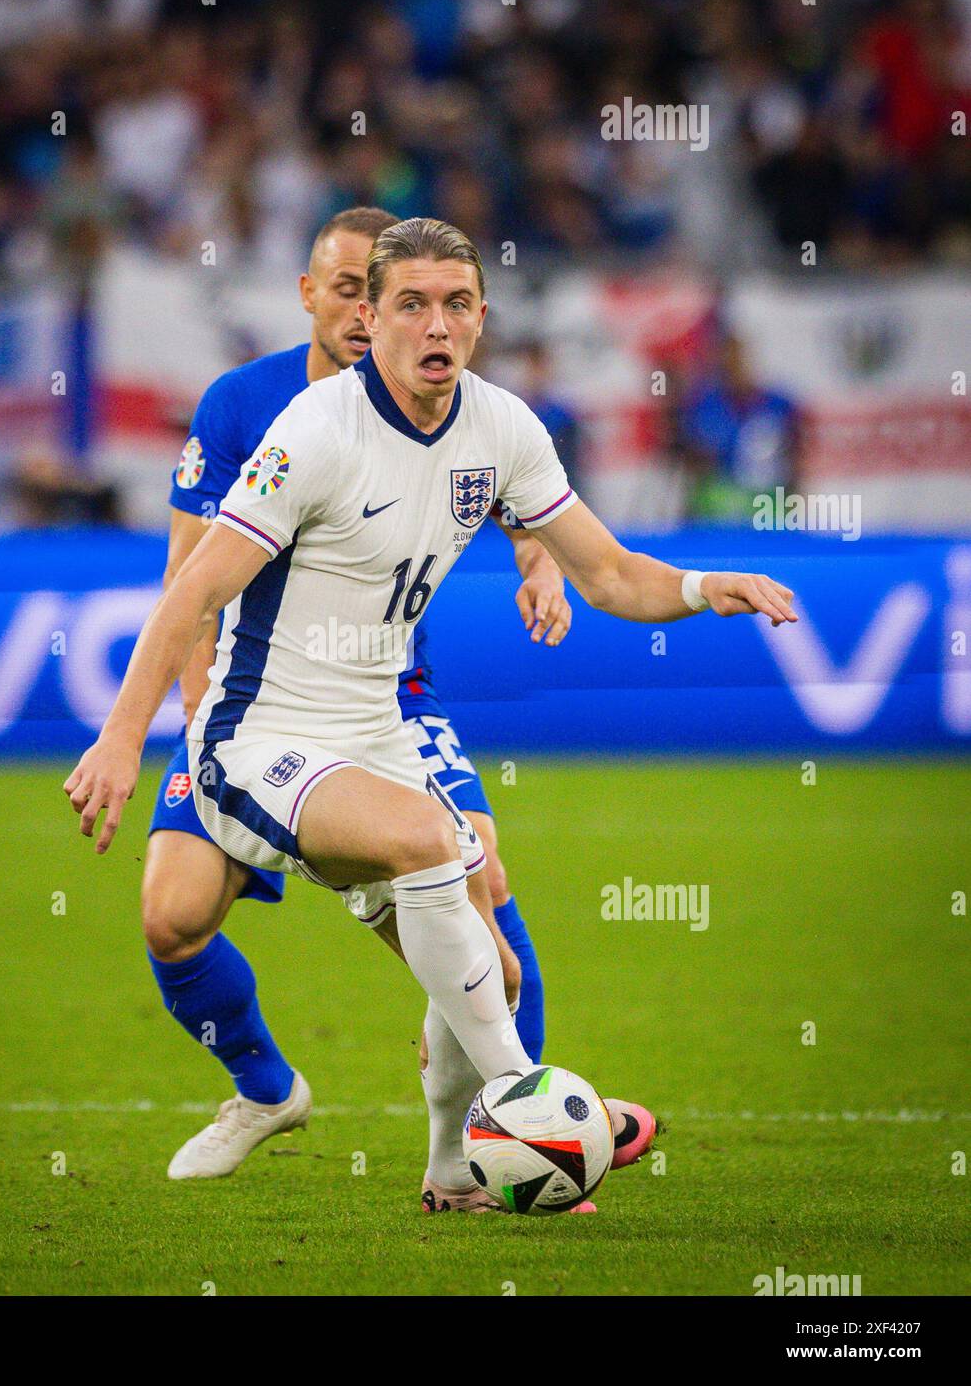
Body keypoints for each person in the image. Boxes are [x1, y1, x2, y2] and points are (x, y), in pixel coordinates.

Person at [65, 217, 797, 1213]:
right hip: (258, 732)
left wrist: (709, 582)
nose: (434, 323)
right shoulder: (312, 432)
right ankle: (526, 1100)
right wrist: (119, 737)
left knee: (489, 962)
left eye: (455, 303)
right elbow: (188, 595)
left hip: (376, 724)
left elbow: (613, 571)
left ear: (482, 319)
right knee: (418, 843)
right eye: (411, 302)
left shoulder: (501, 428)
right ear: (372, 313)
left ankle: (454, 1170)